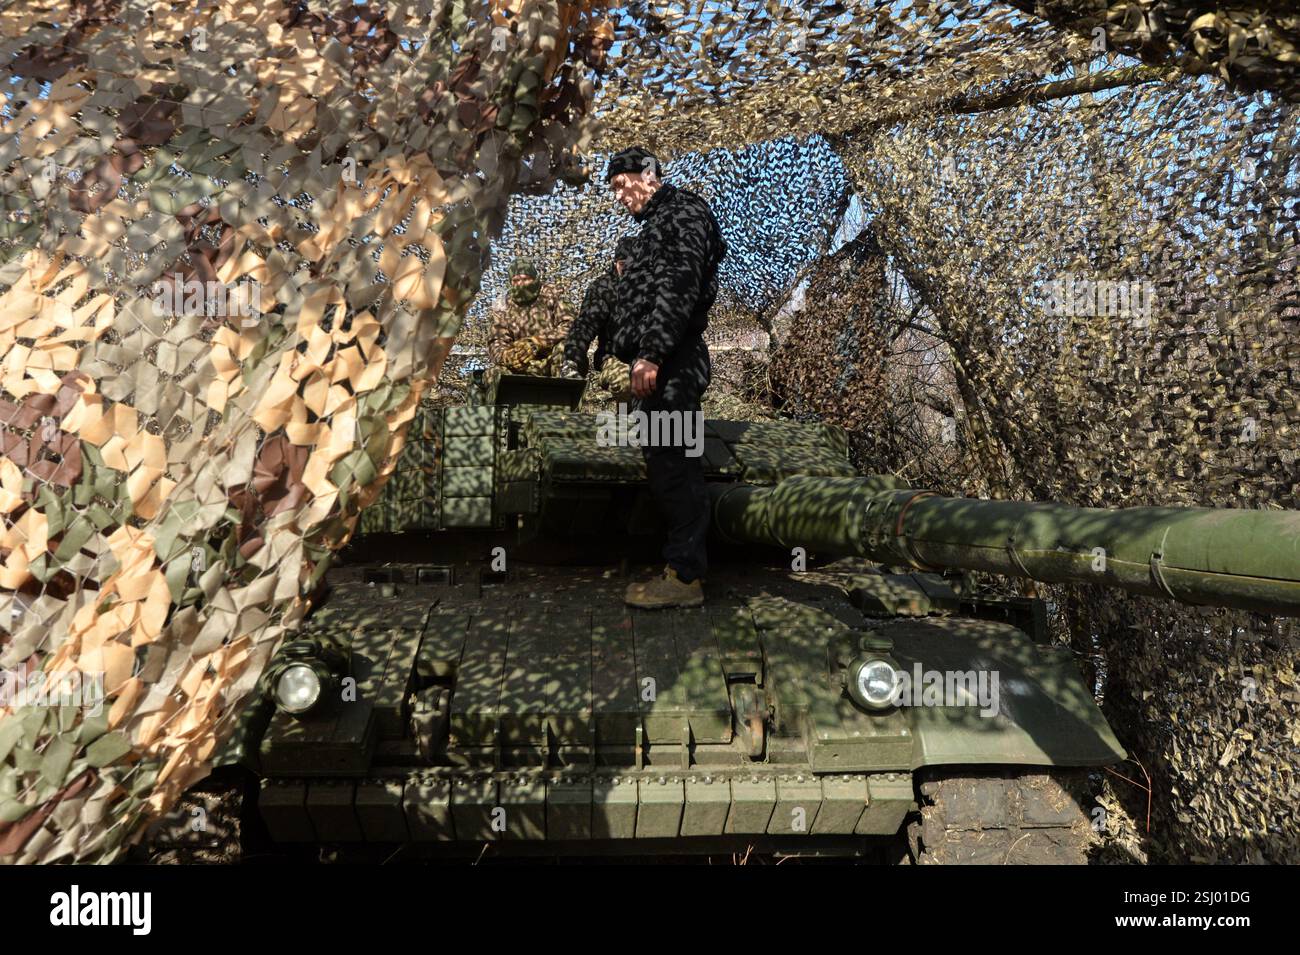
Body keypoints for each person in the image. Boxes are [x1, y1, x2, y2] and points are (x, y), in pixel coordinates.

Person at [603, 146, 728, 609]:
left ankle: (686, 578)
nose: (619, 197)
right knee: (664, 461)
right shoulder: (655, 226)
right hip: (660, 361)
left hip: (674, 361)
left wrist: (652, 352)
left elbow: (680, 283)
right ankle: (678, 569)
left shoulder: (683, 211)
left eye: (622, 185)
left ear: (649, 175)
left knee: (675, 465)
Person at [560, 235, 637, 402]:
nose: (626, 270)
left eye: (631, 265)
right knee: (625, 382)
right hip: (612, 357)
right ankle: (627, 421)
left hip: (645, 356)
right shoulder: (603, 288)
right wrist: (572, 358)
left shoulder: (649, 285)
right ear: (616, 263)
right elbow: (586, 324)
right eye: (622, 264)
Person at [487, 257, 575, 375]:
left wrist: (537, 342)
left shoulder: (553, 293)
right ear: (511, 282)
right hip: (523, 365)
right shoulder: (502, 305)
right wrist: (509, 357)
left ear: (534, 279)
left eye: (525, 279)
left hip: (552, 360)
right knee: (493, 374)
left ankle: (566, 389)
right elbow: (496, 342)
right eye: (516, 280)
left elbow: (570, 326)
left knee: (565, 348)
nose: (521, 284)